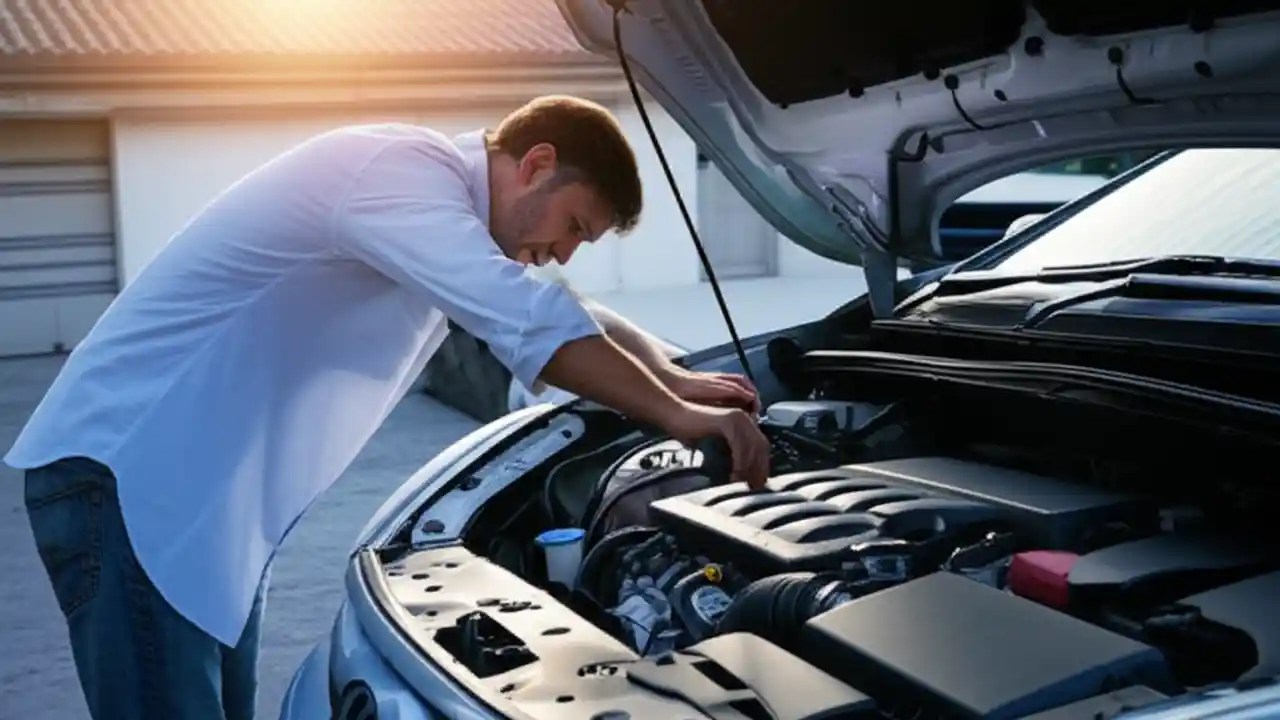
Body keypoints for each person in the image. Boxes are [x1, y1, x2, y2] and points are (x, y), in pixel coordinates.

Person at [5, 95, 769, 719]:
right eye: (573, 225)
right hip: (128, 481)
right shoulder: (399, 171)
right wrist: (676, 417)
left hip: (200, 517)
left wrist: (676, 378)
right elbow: (528, 319)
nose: (566, 251)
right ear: (536, 164)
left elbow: (568, 310)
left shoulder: (441, 217)